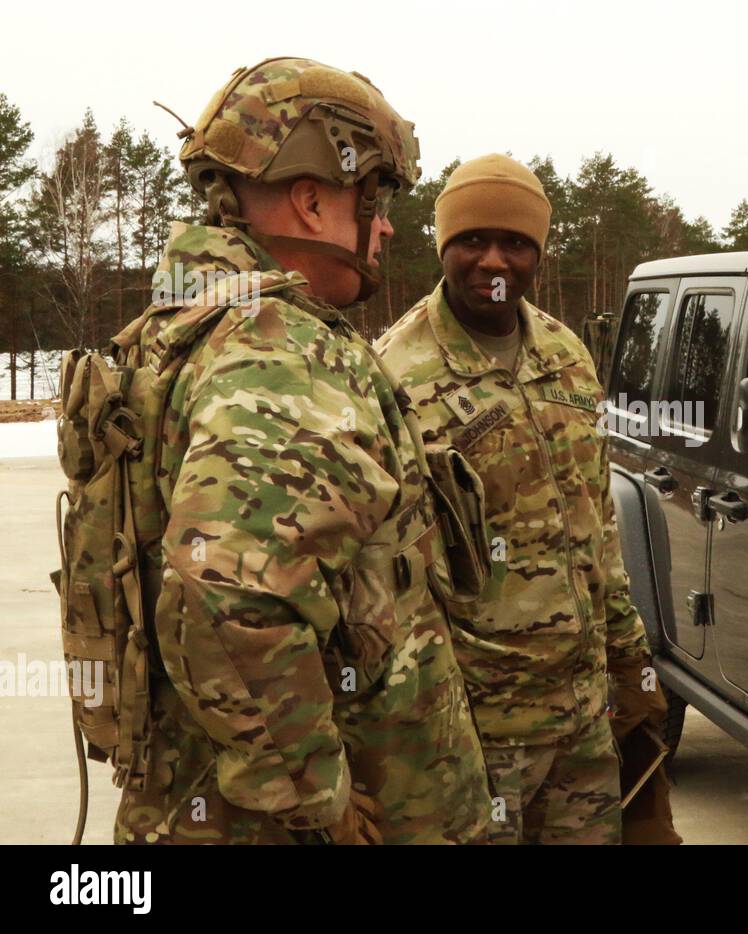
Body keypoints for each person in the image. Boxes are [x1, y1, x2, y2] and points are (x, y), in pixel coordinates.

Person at [103, 57, 492, 843]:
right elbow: (226, 593)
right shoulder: (282, 350)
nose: (383, 226)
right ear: (313, 202)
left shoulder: (173, 333)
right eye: (373, 201)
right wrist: (316, 800)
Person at [376, 153, 676, 844]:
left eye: (515, 243)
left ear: (538, 252)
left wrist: (632, 666)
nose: (493, 261)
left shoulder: (565, 356)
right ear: (442, 244)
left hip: (582, 723)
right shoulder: (394, 373)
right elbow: (387, 581)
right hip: (472, 738)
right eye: (471, 241)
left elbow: (598, 528)